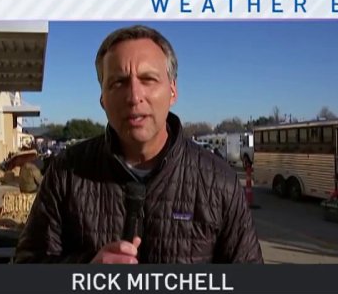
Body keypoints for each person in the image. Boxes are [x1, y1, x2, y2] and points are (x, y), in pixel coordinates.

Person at [14, 25, 262, 264]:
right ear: (102, 98)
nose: (134, 96)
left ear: (172, 92)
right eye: (118, 82)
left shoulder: (219, 181)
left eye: (148, 79)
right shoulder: (66, 173)